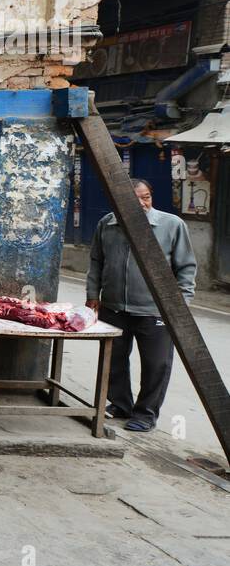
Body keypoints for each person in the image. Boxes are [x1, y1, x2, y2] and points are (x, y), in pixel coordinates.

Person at [87, 178, 197, 432]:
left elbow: (186, 268)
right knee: (113, 361)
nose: (142, 203)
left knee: (156, 364)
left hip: (155, 311)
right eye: (135, 198)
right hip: (113, 307)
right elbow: (96, 261)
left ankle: (146, 413)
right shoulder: (107, 224)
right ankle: (120, 404)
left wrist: (180, 306)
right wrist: (93, 293)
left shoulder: (172, 225)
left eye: (146, 197)